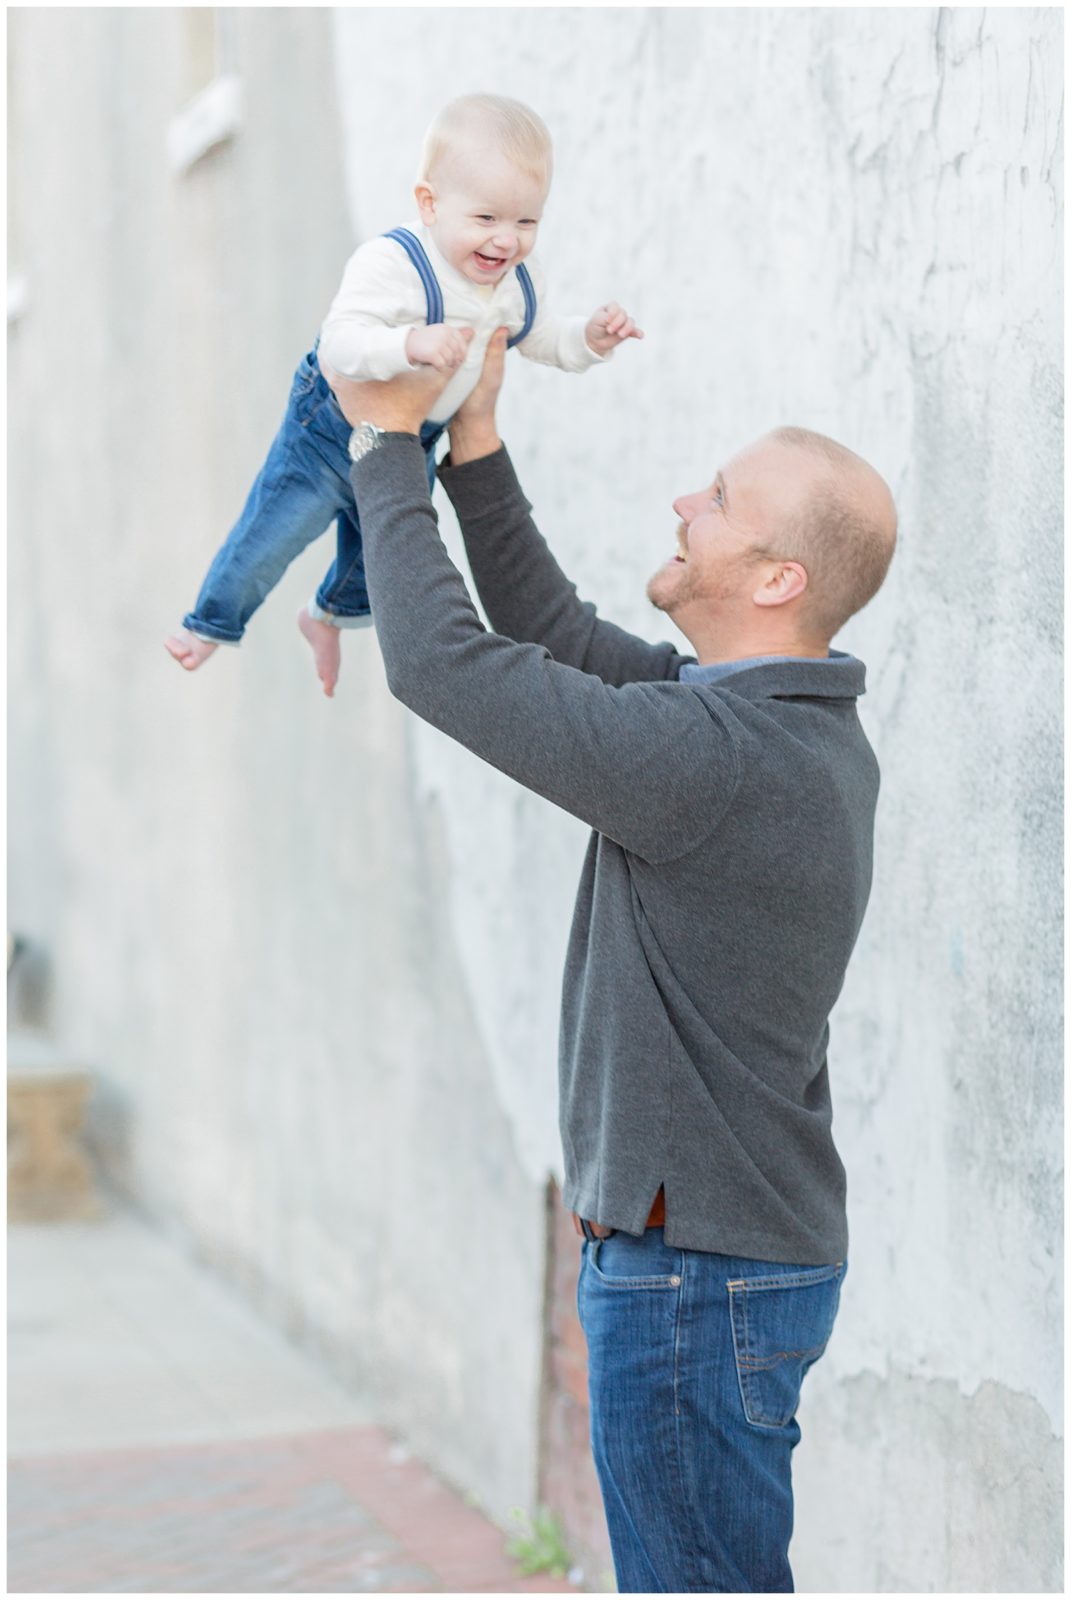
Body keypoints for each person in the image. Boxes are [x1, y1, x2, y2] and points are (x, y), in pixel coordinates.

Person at [328, 332, 898, 1593]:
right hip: (718, 1259)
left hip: (694, 1274)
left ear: (775, 573)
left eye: (718, 500)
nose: (684, 504)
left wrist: (379, 439)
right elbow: (550, 635)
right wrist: (470, 446)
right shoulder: (772, 731)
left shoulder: (716, 759)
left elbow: (442, 664)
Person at [164, 92, 642, 696]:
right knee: (271, 534)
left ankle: (324, 617)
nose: (507, 241)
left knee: (383, 568)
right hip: (328, 431)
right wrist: (408, 345)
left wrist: (591, 339)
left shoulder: (520, 281)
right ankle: (208, 625)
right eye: (487, 219)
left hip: (412, 439)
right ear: (430, 204)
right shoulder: (396, 262)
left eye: (527, 222)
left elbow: (542, 339)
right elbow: (341, 342)